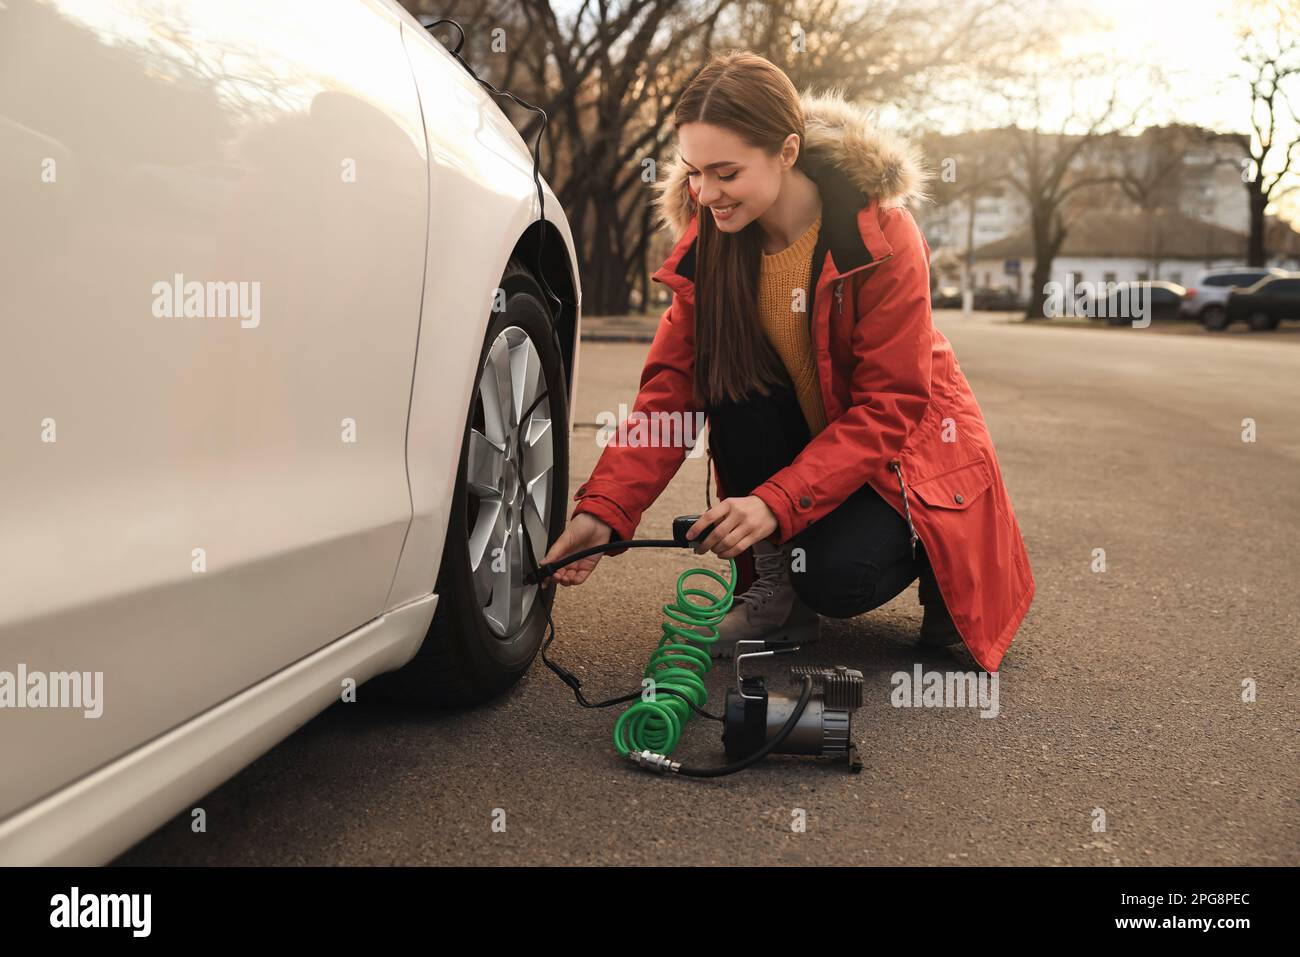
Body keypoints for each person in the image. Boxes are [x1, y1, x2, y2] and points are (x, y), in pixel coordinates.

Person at [541, 51, 1034, 672]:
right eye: (694, 173)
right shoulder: (712, 243)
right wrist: (606, 509)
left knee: (836, 578)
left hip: (901, 454)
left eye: (725, 172)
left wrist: (773, 503)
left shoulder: (881, 233)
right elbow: (669, 394)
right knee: (725, 380)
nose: (705, 194)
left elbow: (891, 407)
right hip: (809, 448)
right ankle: (779, 590)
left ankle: (937, 554)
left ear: (788, 151)